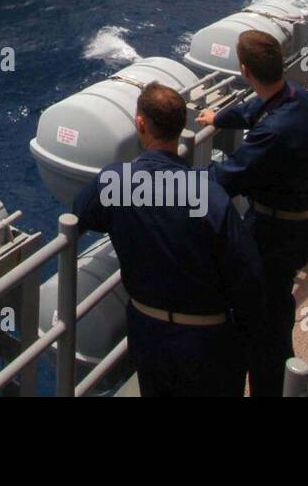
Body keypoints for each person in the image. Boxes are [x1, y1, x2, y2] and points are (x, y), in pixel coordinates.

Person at [74, 82, 265, 397]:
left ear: (140, 125)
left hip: (150, 337)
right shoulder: (207, 193)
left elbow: (80, 212)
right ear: (182, 127)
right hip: (208, 341)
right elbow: (248, 276)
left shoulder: (118, 182)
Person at [197, 29, 308, 397]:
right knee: (276, 310)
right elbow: (254, 107)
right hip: (301, 225)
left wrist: (173, 182)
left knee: (260, 324)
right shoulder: (296, 96)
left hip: (274, 235)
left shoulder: (273, 132)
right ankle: (286, 379)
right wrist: (220, 118)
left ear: (244, 70)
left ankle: (273, 388)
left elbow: (228, 177)